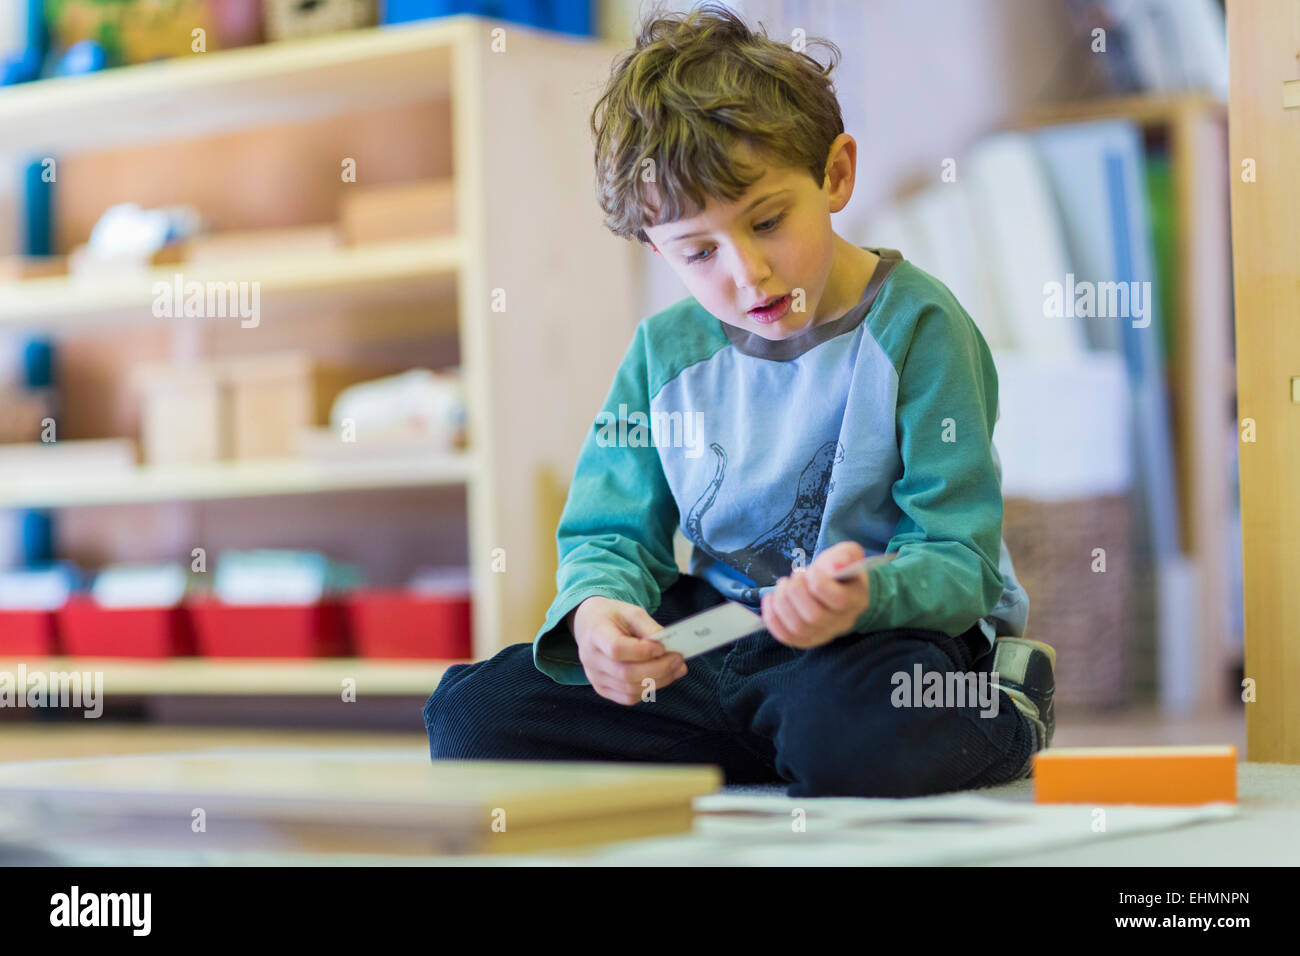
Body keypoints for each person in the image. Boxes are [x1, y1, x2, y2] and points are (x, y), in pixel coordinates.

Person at [424, 2, 1056, 798]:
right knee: (473, 716)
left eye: (767, 221)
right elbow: (610, 533)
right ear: (657, 249)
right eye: (699, 252)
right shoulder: (662, 353)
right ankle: (774, 746)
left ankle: (1002, 707)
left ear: (834, 174)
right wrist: (597, 614)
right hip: (719, 635)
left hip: (878, 638)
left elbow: (957, 559)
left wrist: (865, 596)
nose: (747, 273)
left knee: (854, 726)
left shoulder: (919, 326)